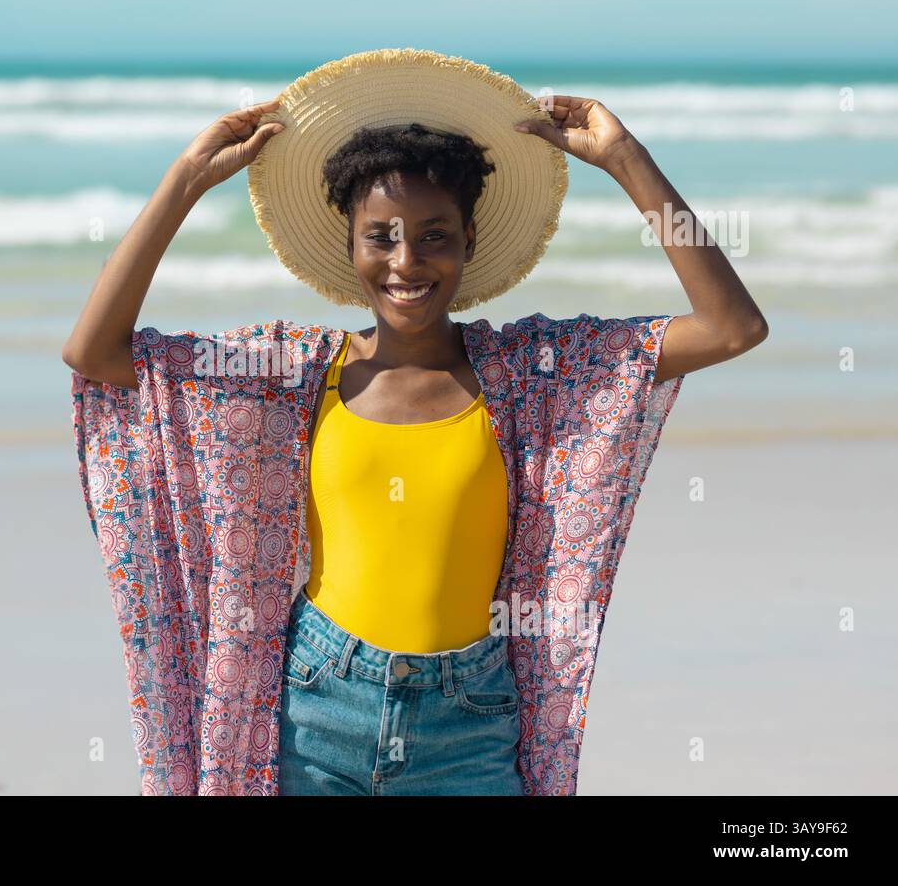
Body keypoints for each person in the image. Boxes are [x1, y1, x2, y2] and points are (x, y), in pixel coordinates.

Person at [63, 50, 768, 796]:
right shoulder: (284, 376)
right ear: (351, 244)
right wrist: (185, 181)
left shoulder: (534, 375)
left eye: (435, 234)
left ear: (469, 242)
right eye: (383, 235)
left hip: (470, 724)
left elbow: (731, 326)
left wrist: (627, 160)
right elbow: (95, 350)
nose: (407, 260)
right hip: (316, 713)